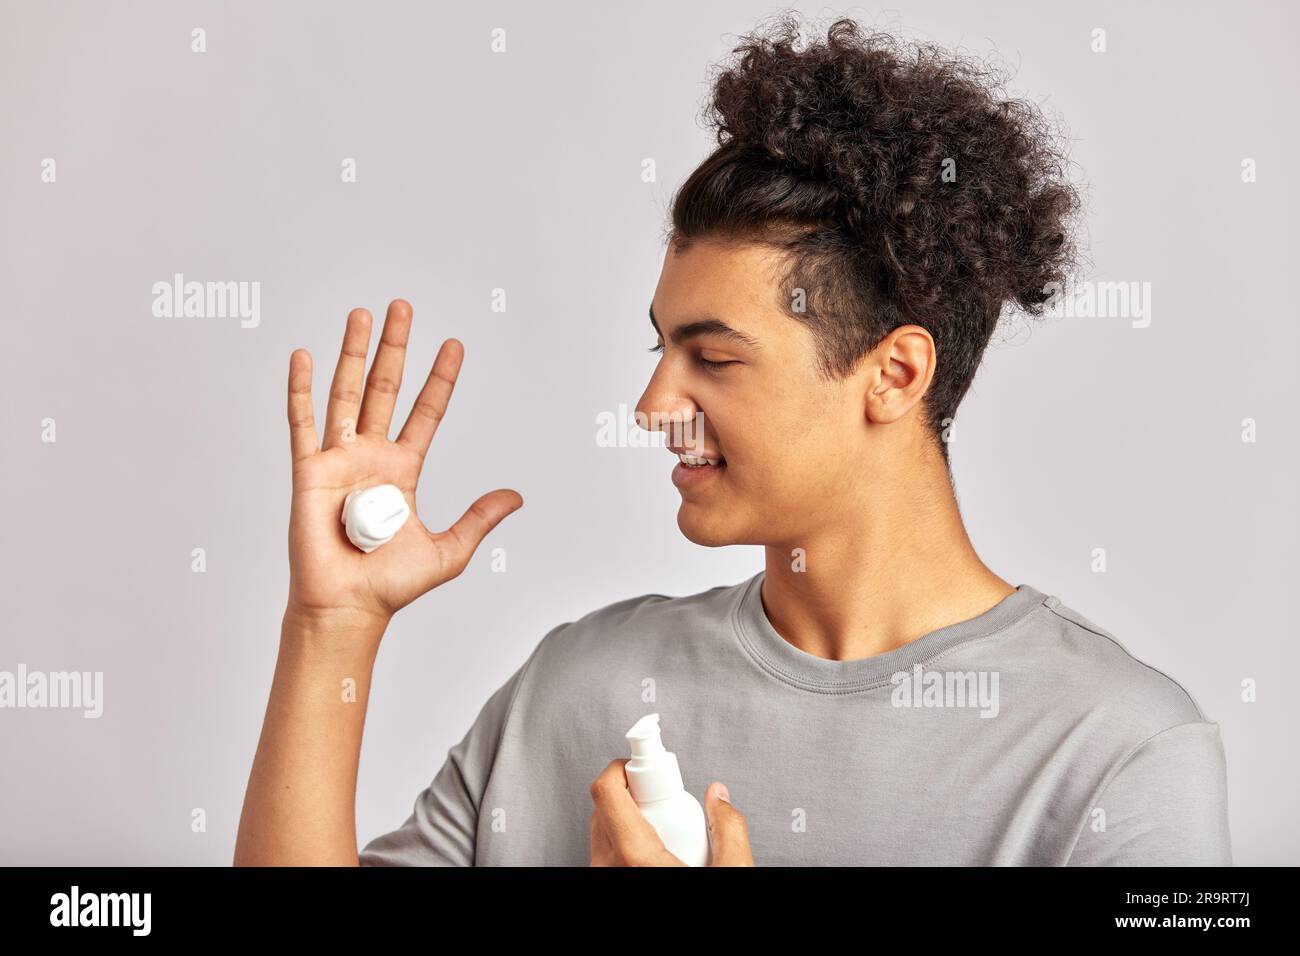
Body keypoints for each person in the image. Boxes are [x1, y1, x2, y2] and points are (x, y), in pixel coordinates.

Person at [234, 15, 1231, 866]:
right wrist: (332, 628)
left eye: (712, 358)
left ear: (893, 374)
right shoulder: (580, 684)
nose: (650, 403)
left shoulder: (1121, 752)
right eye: (661, 346)